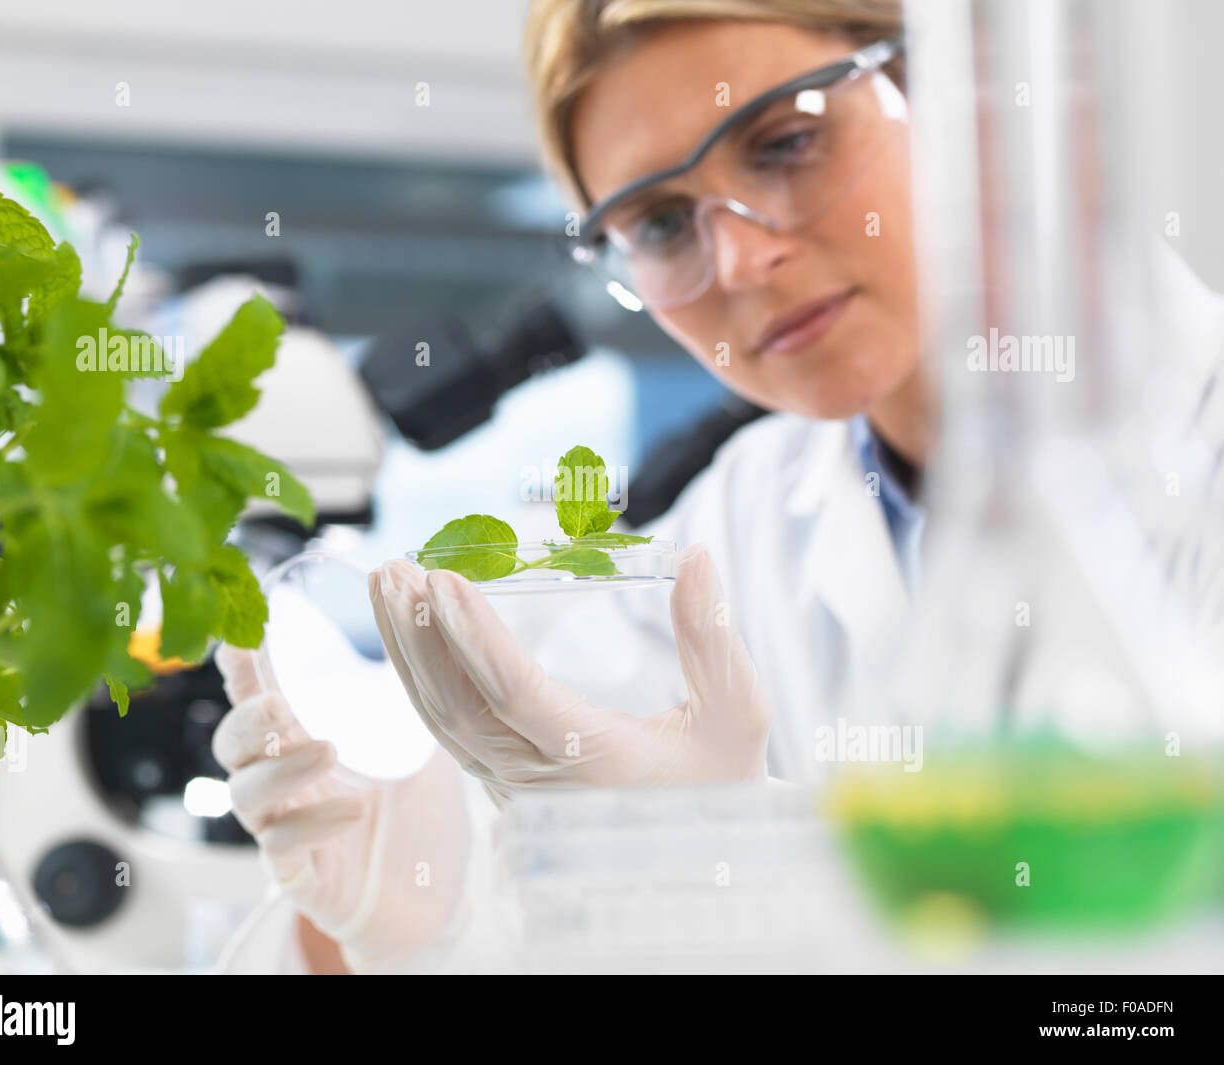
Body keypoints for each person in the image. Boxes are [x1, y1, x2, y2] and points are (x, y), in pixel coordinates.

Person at [213, 0, 1224, 972]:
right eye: (658, 224)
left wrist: (751, 889)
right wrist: (383, 927)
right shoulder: (739, 525)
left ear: (955, 91)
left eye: (786, 141)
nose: (740, 258)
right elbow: (497, 898)